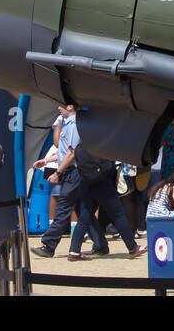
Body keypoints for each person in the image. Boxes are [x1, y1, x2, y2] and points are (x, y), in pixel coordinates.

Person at [32, 105, 108, 260]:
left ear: (70, 106)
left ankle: (48, 245)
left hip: (73, 172)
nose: (58, 108)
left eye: (61, 105)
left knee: (63, 207)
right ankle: (101, 245)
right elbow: (64, 150)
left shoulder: (74, 125)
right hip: (72, 172)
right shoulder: (69, 123)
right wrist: (46, 160)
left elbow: (72, 153)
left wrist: (58, 172)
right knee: (82, 209)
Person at [68, 132, 144, 261]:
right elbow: (110, 164)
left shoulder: (81, 144)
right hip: (102, 183)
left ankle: (74, 251)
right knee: (118, 214)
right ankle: (133, 248)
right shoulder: (102, 142)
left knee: (84, 217)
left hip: (86, 182)